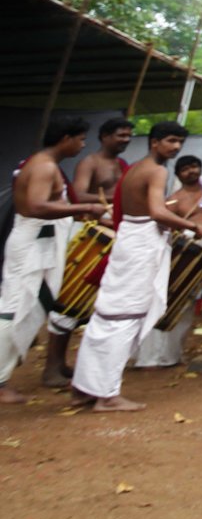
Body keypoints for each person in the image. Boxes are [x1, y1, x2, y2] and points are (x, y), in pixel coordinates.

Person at [71, 121, 202, 412]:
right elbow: (157, 212)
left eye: (180, 142)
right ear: (155, 142)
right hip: (140, 247)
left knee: (108, 316)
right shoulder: (157, 171)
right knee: (125, 317)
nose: (176, 147)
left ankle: (85, 389)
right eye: (171, 141)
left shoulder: (133, 168)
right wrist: (191, 226)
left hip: (130, 242)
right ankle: (106, 395)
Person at [0, 118, 104, 403]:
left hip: (38, 241)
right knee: (13, 308)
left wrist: (77, 212)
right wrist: (85, 206)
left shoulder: (42, 163)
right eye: (80, 139)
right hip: (32, 241)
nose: (82, 145)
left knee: (31, 303)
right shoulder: (44, 166)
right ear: (65, 138)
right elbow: (35, 206)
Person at [38, 117, 134, 386]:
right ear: (104, 137)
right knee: (69, 300)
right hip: (89, 236)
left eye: (128, 135)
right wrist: (111, 202)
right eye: (120, 135)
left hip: (112, 234)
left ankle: (66, 364)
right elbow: (78, 195)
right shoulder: (90, 162)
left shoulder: (123, 165)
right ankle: (52, 367)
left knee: (85, 304)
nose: (125, 140)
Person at [132, 154, 202, 368]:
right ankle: (151, 356)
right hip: (184, 250)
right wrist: (189, 231)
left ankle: (172, 355)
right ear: (178, 174)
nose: (191, 171)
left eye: (194, 166)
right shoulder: (174, 199)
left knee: (189, 302)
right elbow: (164, 226)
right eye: (185, 169)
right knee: (170, 299)